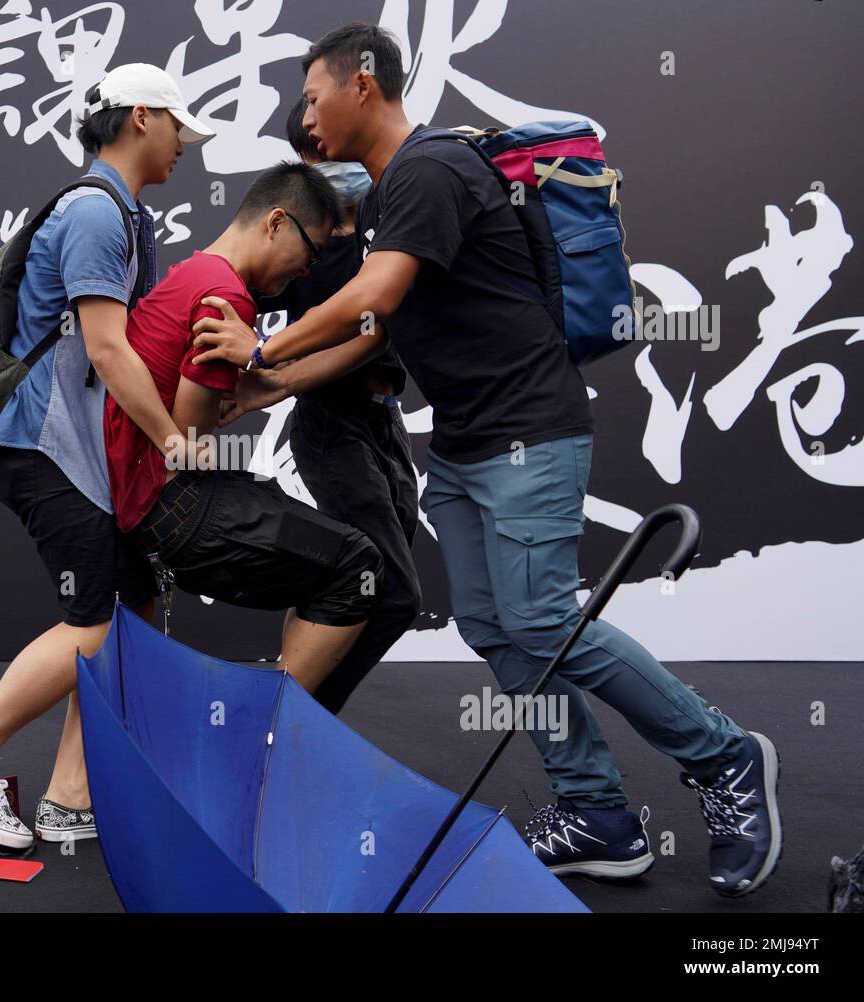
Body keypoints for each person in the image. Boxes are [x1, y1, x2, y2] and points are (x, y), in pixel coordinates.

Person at [190, 22, 781, 896]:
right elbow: (375, 331)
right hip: (468, 445)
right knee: (494, 627)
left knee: (540, 620)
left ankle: (725, 758)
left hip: (529, 430)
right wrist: (269, 389)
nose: (304, 116)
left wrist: (260, 350)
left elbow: (374, 294)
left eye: (313, 96)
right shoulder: (393, 194)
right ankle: (599, 814)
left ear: (364, 83)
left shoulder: (428, 168)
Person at [0, 64, 215, 849]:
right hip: (47, 451)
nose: (185, 144)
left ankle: (70, 795)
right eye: (178, 127)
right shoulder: (94, 212)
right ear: (142, 118)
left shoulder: (117, 210)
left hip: (77, 455)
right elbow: (110, 351)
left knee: (130, 613)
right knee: (91, 625)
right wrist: (174, 443)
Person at [104, 161, 383, 694]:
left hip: (146, 500)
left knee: (326, 557)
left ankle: (266, 720)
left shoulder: (192, 271)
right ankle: (262, 727)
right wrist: (243, 392)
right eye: (312, 252)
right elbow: (188, 438)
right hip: (174, 505)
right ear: (276, 222)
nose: (308, 272)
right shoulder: (227, 297)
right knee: (356, 565)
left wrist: (255, 387)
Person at [219, 96, 421, 715]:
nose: (334, 163)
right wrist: (261, 361)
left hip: (385, 423)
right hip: (333, 425)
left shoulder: (384, 224)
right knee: (388, 593)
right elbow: (232, 285)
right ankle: (287, 722)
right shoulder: (305, 241)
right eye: (318, 154)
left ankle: (290, 722)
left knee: (344, 582)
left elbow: (377, 331)